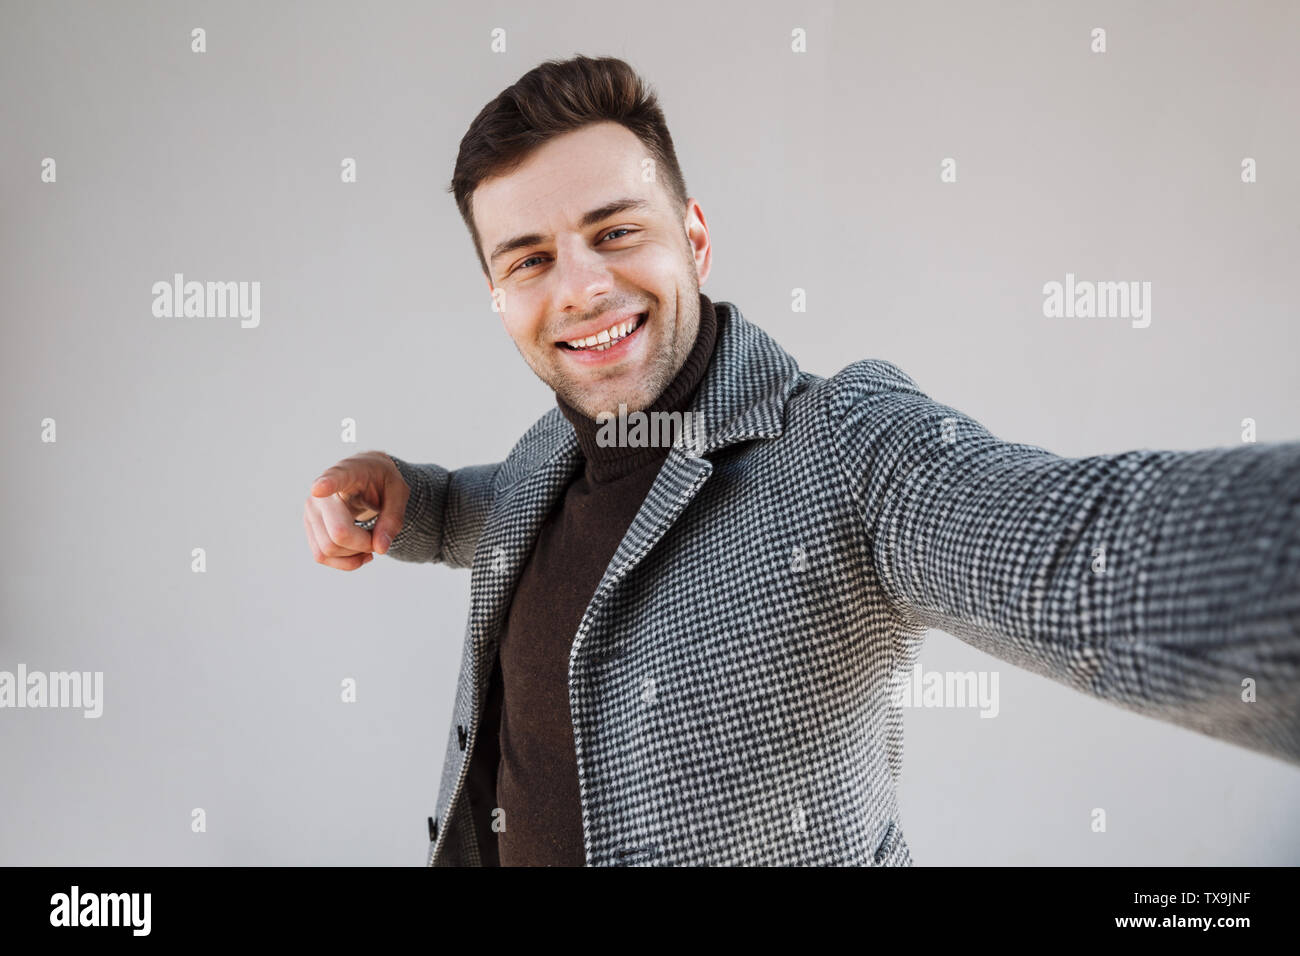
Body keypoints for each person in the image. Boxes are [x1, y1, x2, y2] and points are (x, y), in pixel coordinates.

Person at [302, 54, 1300, 867]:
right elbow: (511, 511)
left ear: (693, 240)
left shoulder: (843, 447)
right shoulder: (548, 449)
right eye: (528, 259)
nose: (580, 289)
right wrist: (413, 500)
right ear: (496, 290)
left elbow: (1085, 555)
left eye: (615, 231)